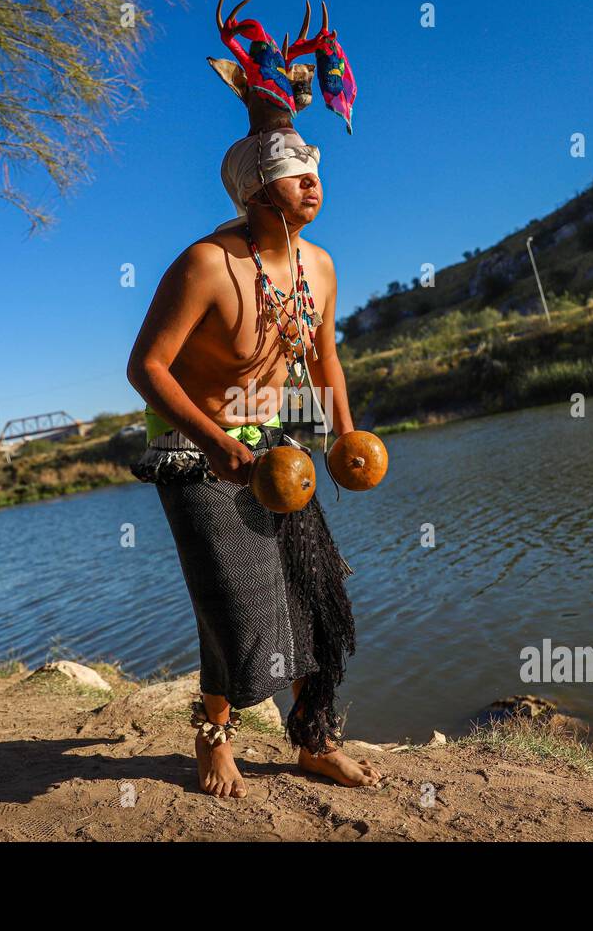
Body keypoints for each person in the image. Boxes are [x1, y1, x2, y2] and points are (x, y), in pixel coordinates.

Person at [127, 126, 381, 798]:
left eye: (313, 171)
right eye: (293, 172)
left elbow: (325, 359)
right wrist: (215, 442)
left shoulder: (319, 267)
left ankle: (313, 741)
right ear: (254, 191)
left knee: (311, 596)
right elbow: (145, 367)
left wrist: (344, 438)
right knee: (237, 607)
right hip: (193, 450)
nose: (311, 181)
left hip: (273, 448)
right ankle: (214, 740)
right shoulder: (206, 264)